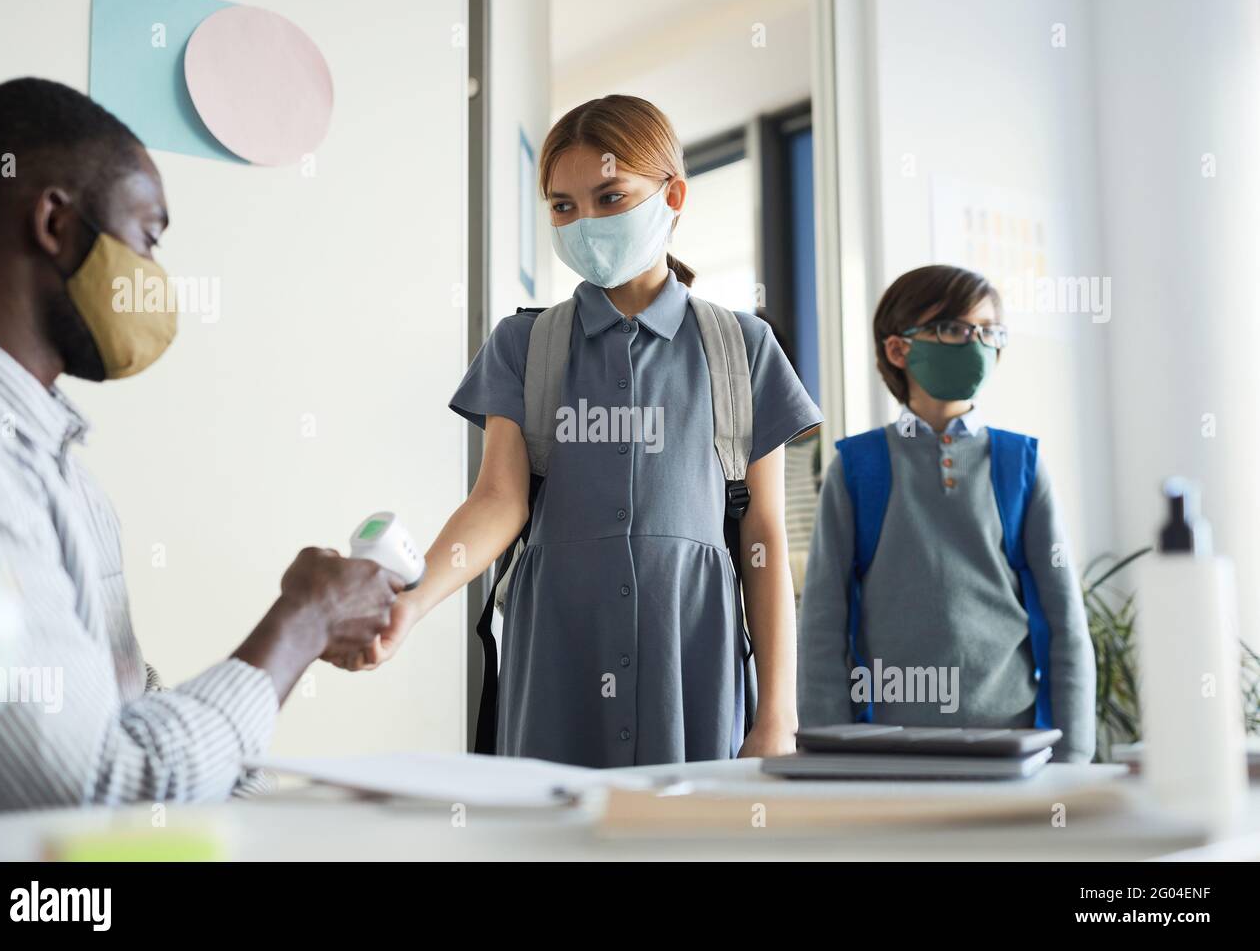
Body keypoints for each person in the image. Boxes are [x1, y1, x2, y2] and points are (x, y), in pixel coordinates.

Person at [334, 95, 823, 767]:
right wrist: (414, 605)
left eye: (610, 196)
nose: (585, 221)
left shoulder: (743, 346)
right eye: (564, 206)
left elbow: (762, 533)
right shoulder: (524, 344)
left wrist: (778, 715)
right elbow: (498, 500)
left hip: (694, 651)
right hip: (558, 650)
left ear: (673, 195)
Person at [0, 78, 403, 813]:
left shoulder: (59, 463)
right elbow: (93, 792)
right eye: (149, 237)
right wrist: (303, 623)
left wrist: (274, 793)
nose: (158, 283)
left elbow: (119, 716)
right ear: (55, 224)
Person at [797, 265, 1096, 761]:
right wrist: (832, 749)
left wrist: (1074, 757)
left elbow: (1066, 623)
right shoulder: (857, 467)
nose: (976, 344)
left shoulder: (1019, 463)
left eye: (989, 332)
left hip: (1013, 747)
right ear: (899, 348)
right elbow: (823, 624)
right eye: (955, 329)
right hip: (890, 749)